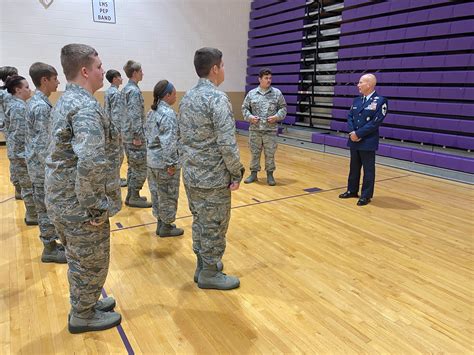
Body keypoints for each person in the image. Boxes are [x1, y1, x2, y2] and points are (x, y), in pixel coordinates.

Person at [44, 43, 122, 333]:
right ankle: (83, 314)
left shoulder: (67, 101)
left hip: (63, 199)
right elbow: (89, 161)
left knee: (80, 258)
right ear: (86, 71)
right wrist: (94, 206)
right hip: (80, 205)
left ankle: (86, 302)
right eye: (100, 66)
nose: (104, 70)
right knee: (90, 261)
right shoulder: (85, 107)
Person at [178, 47, 244, 290]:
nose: (224, 69)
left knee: (199, 220)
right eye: (223, 65)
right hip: (213, 177)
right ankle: (209, 272)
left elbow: (181, 136)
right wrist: (236, 171)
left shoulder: (187, 98)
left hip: (192, 174)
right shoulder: (217, 99)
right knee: (214, 224)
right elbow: (227, 143)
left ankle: (203, 264)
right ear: (215, 69)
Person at [26, 62, 66, 263]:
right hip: (42, 169)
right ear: (44, 80)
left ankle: (50, 243)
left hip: (37, 166)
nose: (58, 82)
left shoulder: (36, 102)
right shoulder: (41, 107)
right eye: (55, 78)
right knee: (45, 208)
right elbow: (44, 145)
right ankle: (49, 248)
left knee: (45, 207)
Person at [339, 73, 388, 206]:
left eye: (361, 82)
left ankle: (366, 195)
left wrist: (359, 134)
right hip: (354, 138)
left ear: (369, 84)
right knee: (353, 167)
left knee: (368, 169)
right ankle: (352, 190)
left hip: (367, 140)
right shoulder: (357, 100)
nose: (358, 85)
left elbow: (375, 122)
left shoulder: (380, 101)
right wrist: (352, 132)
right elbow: (350, 117)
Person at [146, 80, 184, 237]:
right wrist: (171, 163)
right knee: (168, 195)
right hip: (164, 163)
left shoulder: (151, 112)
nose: (176, 96)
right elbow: (168, 142)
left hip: (152, 161)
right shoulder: (168, 114)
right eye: (174, 94)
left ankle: (160, 223)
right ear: (167, 95)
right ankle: (166, 227)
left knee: (156, 194)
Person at [242, 67, 287, 186]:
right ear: (259, 79)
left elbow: (283, 108)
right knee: (255, 152)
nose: (269, 80)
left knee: (270, 153)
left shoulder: (277, 93)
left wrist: (277, 117)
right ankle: (253, 173)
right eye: (266, 78)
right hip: (255, 129)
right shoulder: (252, 94)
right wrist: (250, 117)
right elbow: (244, 108)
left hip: (270, 130)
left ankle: (270, 174)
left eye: (270, 78)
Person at [3, 75, 38, 225]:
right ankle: (32, 216)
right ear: (17, 90)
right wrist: (23, 156)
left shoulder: (16, 104)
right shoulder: (18, 107)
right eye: (26, 87)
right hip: (20, 154)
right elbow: (19, 135)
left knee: (27, 185)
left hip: (18, 153)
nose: (29, 90)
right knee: (29, 186)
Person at [122, 60, 151, 208]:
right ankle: (134, 196)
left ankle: (132, 195)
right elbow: (134, 115)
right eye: (141, 71)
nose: (143, 73)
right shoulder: (133, 91)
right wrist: (138, 136)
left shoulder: (127, 89)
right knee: (140, 167)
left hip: (128, 135)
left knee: (133, 166)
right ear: (135, 73)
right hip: (134, 137)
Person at [0, 66, 22, 199]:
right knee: (15, 158)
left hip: (16, 128)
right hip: (11, 130)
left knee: (16, 158)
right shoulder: (5, 95)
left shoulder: (10, 93)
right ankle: (19, 187)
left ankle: (20, 187)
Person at [104, 69, 127, 187]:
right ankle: (115, 178)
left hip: (109, 127)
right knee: (118, 155)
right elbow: (117, 115)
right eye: (119, 77)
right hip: (115, 129)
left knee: (113, 155)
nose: (121, 79)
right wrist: (119, 132)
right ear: (114, 79)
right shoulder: (117, 94)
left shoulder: (108, 92)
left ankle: (114, 177)